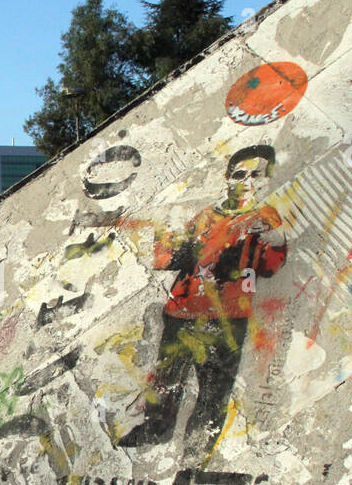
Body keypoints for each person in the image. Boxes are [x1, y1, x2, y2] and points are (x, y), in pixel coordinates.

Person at [121, 145, 287, 452]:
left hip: (227, 319)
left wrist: (270, 238)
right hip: (181, 312)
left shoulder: (264, 217)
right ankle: (156, 429)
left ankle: (197, 448)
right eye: (239, 174)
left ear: (265, 179)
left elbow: (270, 266)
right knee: (167, 381)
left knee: (213, 392)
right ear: (226, 178)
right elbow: (168, 256)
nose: (246, 182)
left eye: (255, 175)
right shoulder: (206, 216)